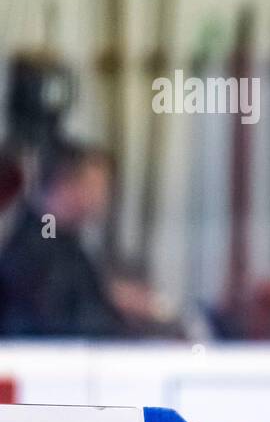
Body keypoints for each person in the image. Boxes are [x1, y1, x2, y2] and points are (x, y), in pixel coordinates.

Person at [0, 139, 164, 337]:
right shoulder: (44, 233)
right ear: (68, 183)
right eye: (98, 185)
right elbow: (59, 317)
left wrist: (109, 296)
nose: (105, 196)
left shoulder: (59, 235)